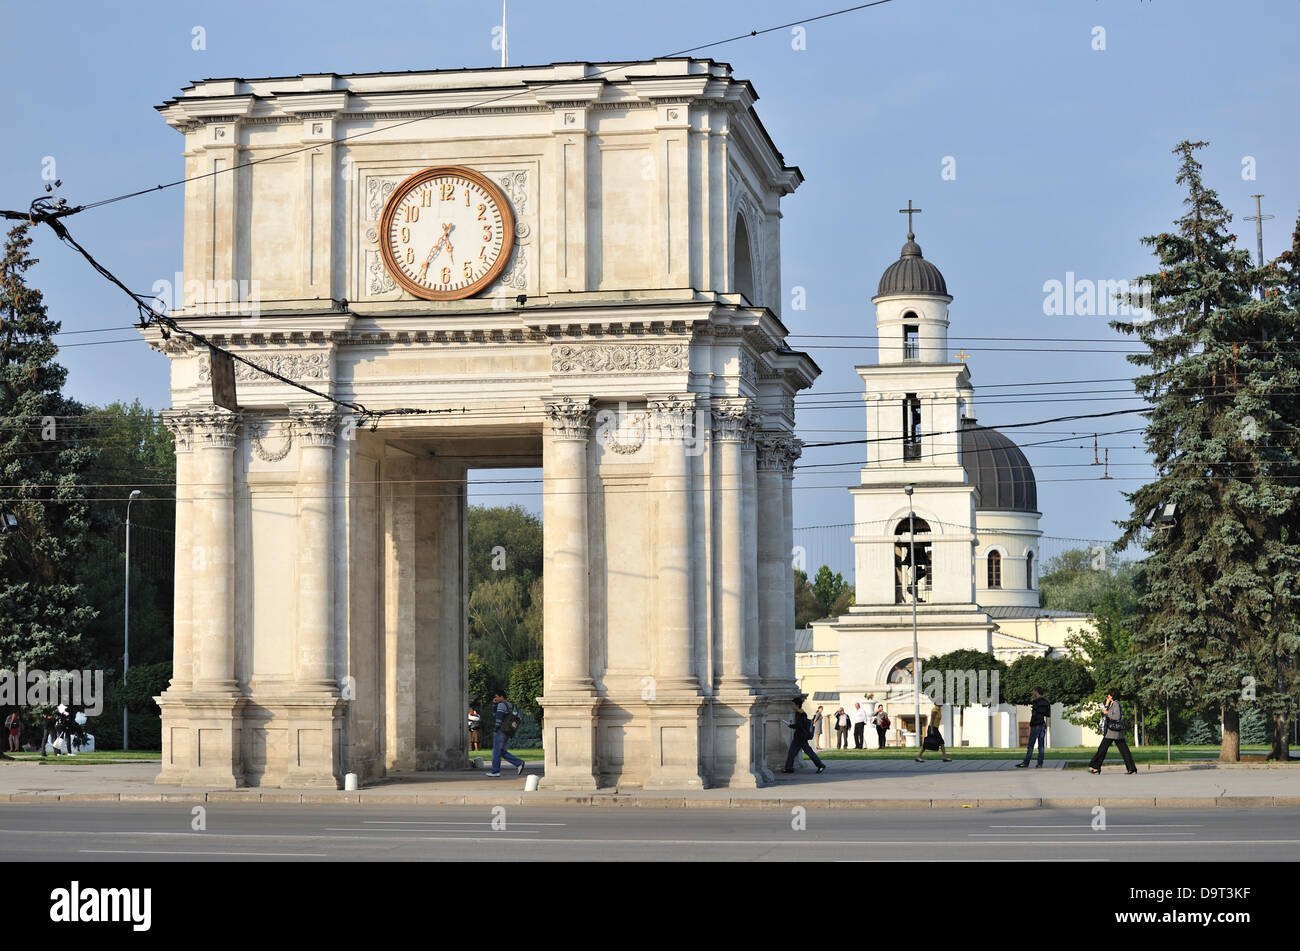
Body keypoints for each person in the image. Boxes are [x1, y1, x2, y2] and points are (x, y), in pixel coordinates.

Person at [1088, 688, 1137, 774]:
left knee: (1102, 749)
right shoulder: (1112, 703)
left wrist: (1107, 712)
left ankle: (1096, 767)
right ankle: (1131, 768)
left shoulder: (1116, 704)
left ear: (1112, 696)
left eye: (1109, 695)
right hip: (1116, 732)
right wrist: (1106, 705)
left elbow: (1116, 717)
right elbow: (1105, 713)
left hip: (1112, 732)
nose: (1108, 696)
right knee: (1124, 751)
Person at [782, 696, 826, 774]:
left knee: (806, 752)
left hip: (800, 737)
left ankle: (820, 765)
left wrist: (790, 725)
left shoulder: (799, 713)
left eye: (793, 704)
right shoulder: (801, 712)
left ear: (797, 705)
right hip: (801, 736)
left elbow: (799, 725)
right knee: (793, 752)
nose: (792, 706)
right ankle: (789, 768)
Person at [487, 689, 525, 778]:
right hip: (507, 731)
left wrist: (496, 728)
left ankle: (495, 771)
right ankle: (519, 763)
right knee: (502, 752)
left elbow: (498, 717)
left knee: (496, 751)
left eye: (496, 696)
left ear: (501, 696)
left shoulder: (501, 705)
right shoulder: (509, 705)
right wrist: (494, 704)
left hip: (501, 730)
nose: (495, 698)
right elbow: (495, 714)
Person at [1016, 686, 1051, 768]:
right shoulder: (1046, 702)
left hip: (1036, 724)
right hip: (1042, 724)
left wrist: (1032, 723)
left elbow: (1034, 714)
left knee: (1031, 745)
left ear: (1036, 692)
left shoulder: (1035, 702)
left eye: (1033, 691)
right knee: (1041, 746)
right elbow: (1048, 714)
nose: (1033, 693)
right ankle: (1040, 763)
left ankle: (1026, 762)